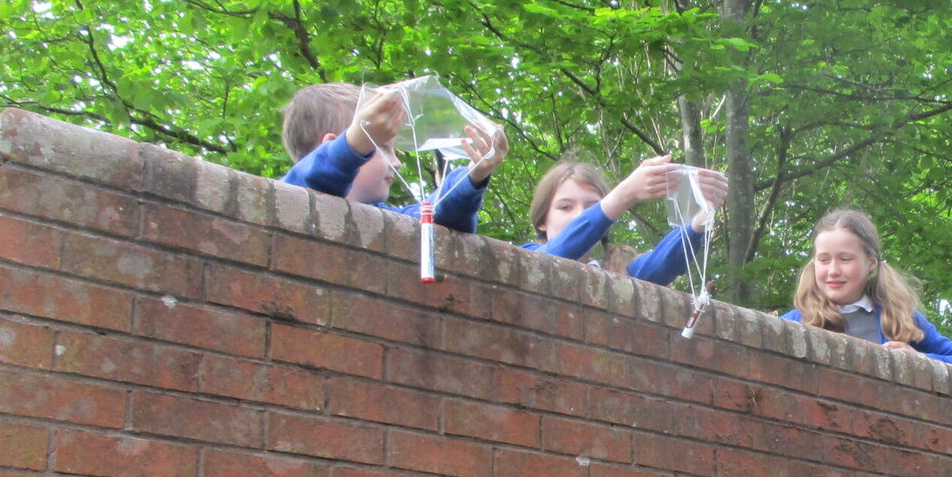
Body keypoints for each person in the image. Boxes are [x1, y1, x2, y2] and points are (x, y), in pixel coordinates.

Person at [278, 82, 506, 230]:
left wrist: (473, 176)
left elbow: (438, 212)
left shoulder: (390, 217)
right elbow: (304, 183)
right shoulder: (290, 196)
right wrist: (355, 142)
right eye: (382, 146)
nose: (396, 162)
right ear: (333, 145)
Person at [783, 209, 952, 368]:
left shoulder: (899, 318)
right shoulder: (794, 321)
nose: (833, 270)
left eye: (845, 259)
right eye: (823, 260)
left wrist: (919, 360)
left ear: (871, 263)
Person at [525, 154, 728, 286]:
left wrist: (699, 220)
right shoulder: (525, 257)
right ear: (542, 219)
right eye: (565, 207)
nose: (579, 216)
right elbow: (548, 259)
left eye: (591, 208)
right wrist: (626, 193)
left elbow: (661, 263)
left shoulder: (618, 274)